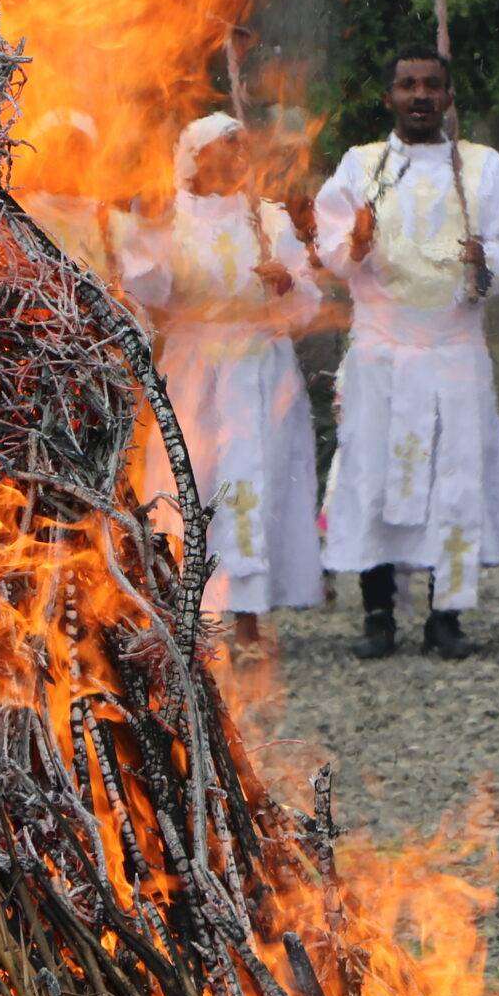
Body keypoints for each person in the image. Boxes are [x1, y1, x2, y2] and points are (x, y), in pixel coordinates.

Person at [314, 50, 499, 660]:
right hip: (382, 346)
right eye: (407, 85)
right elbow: (331, 246)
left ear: (449, 97)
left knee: (454, 479)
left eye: (432, 85)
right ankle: (378, 614)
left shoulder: (480, 168)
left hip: (454, 346)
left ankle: (447, 614)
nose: (420, 96)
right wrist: (351, 245)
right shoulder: (362, 165)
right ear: (390, 97)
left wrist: (490, 260)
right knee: (372, 474)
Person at [112, 115, 323, 652]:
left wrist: (286, 284)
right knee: (192, 483)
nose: (239, 153)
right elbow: (151, 289)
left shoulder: (267, 218)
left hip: (259, 370)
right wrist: (145, 237)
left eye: (243, 144)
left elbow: (307, 306)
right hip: (194, 369)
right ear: (198, 154)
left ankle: (250, 616)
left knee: (253, 481)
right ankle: (190, 614)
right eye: (227, 144)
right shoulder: (168, 214)